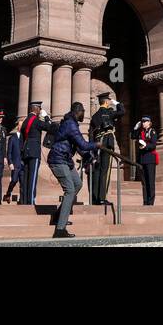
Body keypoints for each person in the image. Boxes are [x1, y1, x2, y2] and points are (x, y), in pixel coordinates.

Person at [46, 102, 98, 239]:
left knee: (78, 184)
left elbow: (78, 146)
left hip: (65, 160)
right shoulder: (70, 124)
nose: (84, 115)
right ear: (78, 111)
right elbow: (83, 144)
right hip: (58, 159)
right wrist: (97, 144)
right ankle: (60, 229)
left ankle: (58, 215)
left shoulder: (71, 123)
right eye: (83, 112)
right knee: (69, 190)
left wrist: (89, 157)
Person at [88, 92, 122, 205]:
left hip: (97, 144)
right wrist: (117, 103)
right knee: (104, 171)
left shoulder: (95, 116)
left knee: (97, 170)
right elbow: (122, 112)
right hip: (107, 143)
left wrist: (92, 148)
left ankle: (95, 198)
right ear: (107, 102)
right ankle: (102, 198)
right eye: (109, 100)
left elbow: (91, 133)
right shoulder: (109, 112)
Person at [18, 100, 52, 205]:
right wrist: (46, 117)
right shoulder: (36, 121)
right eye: (40, 109)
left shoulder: (25, 121)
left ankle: (24, 200)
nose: (40, 110)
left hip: (26, 151)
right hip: (34, 151)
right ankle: (31, 200)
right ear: (36, 109)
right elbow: (49, 127)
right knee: (32, 177)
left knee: (26, 177)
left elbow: (22, 139)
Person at [132, 115, 158, 205]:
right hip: (142, 159)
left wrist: (146, 146)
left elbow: (153, 144)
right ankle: (145, 201)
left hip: (150, 159)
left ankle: (150, 202)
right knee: (144, 183)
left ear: (149, 122)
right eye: (142, 122)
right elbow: (132, 136)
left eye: (145, 121)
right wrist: (135, 128)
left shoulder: (152, 131)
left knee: (150, 181)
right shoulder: (140, 132)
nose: (143, 123)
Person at [5, 119, 24, 203]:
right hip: (15, 163)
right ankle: (8, 194)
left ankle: (21, 200)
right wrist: (10, 163)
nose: (21, 126)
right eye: (20, 125)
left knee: (23, 183)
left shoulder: (25, 137)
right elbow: (9, 152)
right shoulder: (12, 138)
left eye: (22, 125)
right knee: (14, 180)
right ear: (17, 126)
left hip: (23, 164)